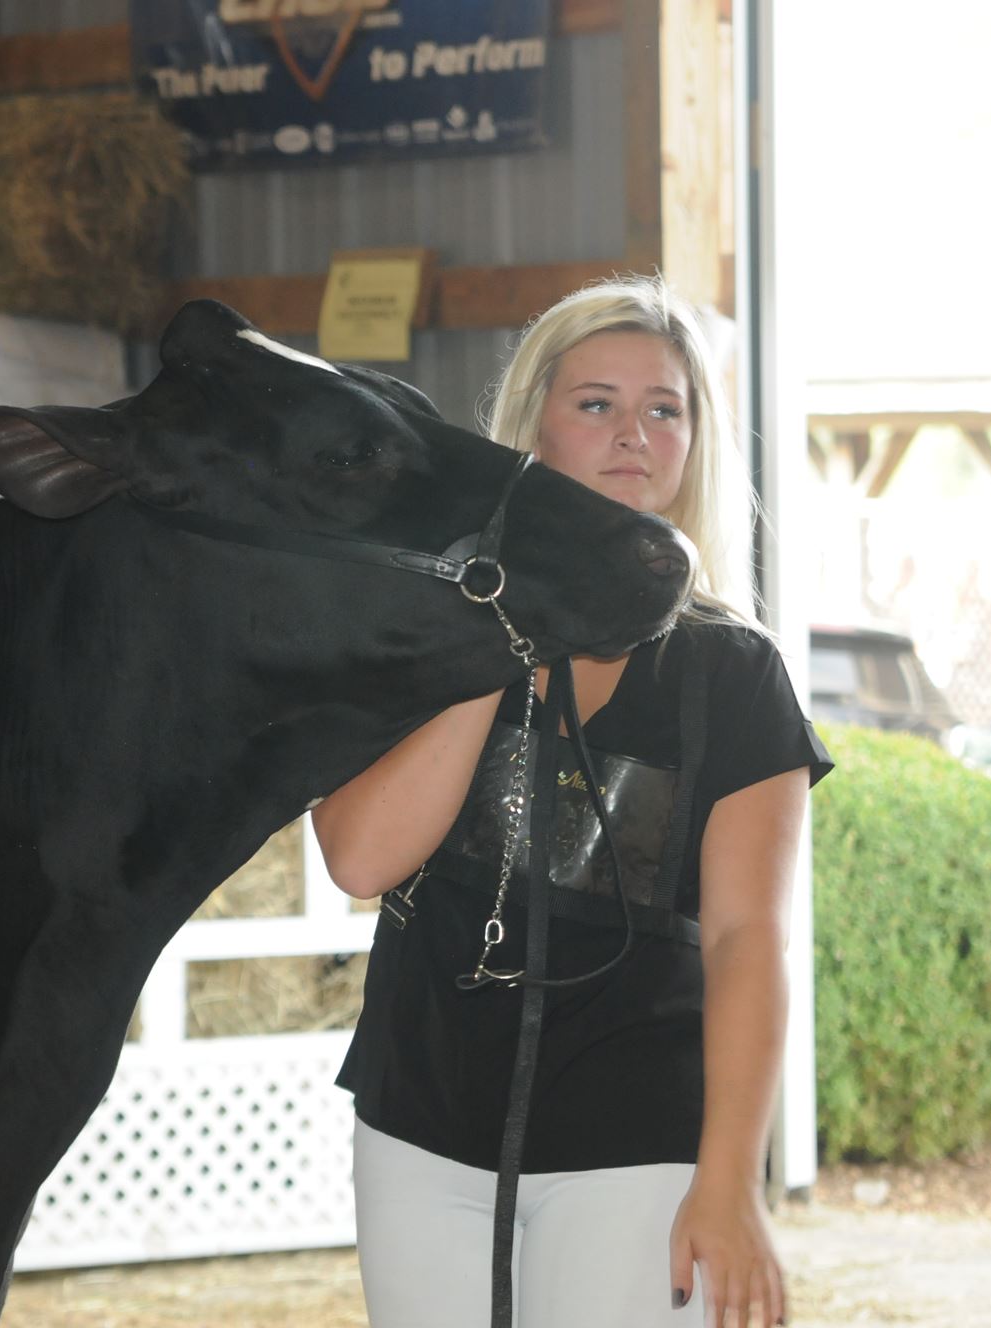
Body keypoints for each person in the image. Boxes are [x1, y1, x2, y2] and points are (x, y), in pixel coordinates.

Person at [314, 275, 831, 1328]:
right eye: (594, 402)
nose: (631, 433)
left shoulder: (733, 673)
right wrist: (496, 623)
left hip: (634, 1140)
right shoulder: (425, 622)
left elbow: (746, 939)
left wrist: (728, 1182)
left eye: (664, 407)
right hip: (418, 1127)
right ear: (533, 427)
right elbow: (360, 857)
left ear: (696, 438)